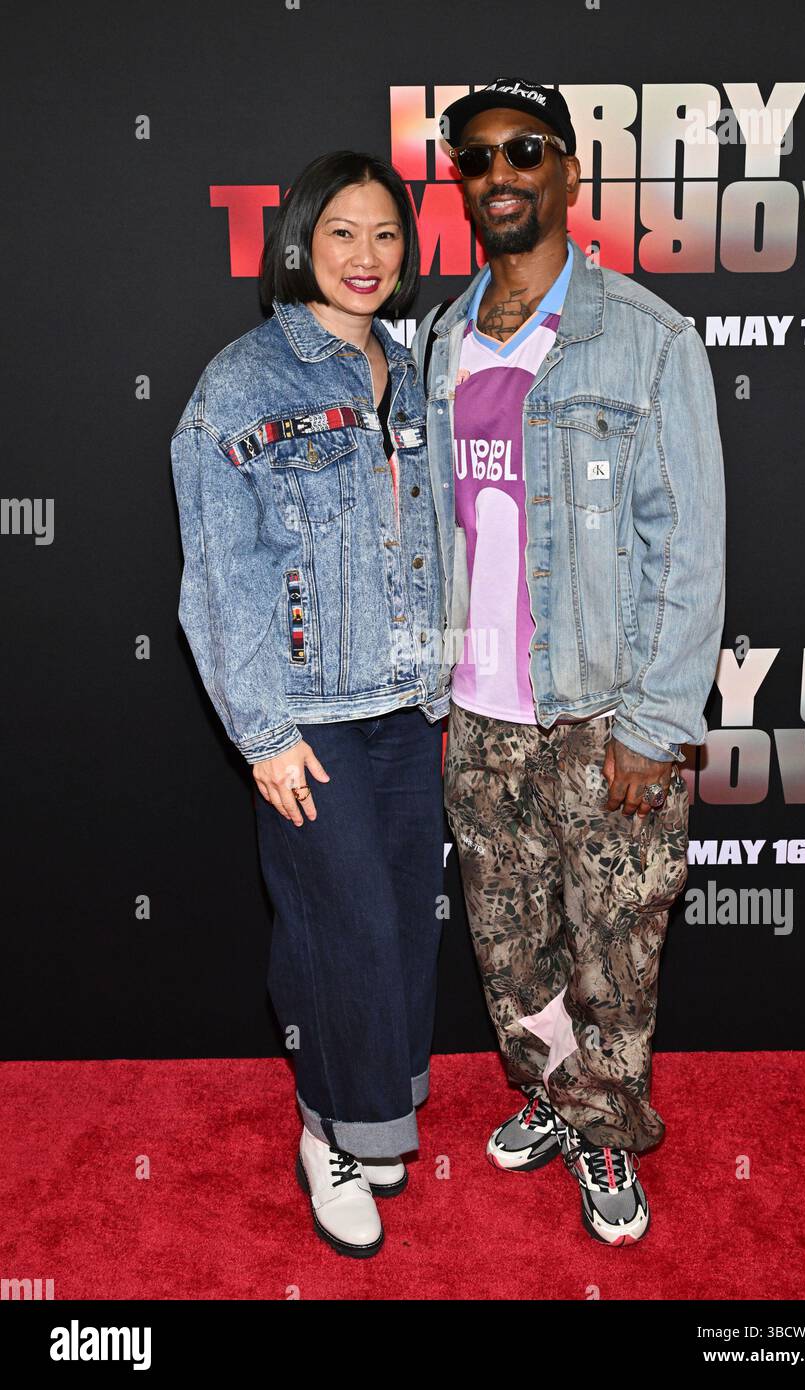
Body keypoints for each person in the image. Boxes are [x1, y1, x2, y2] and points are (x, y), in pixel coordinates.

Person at [412, 80, 726, 1245]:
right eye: (479, 156)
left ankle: (605, 1127)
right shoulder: (444, 338)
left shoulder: (648, 339)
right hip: (480, 713)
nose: (500, 172)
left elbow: (688, 546)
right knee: (512, 947)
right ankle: (556, 1091)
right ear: (463, 181)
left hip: (603, 711)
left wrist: (657, 720)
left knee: (614, 953)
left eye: (525, 151)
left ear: (568, 174)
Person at [170, 151, 450, 1259]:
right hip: (310, 712)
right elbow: (217, 571)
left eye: (387, 235)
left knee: (398, 936)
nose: (366, 257)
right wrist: (263, 729)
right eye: (342, 233)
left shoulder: (412, 369)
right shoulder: (243, 381)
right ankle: (325, 1132)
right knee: (341, 932)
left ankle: (374, 1110)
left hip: (409, 701)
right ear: (298, 243)